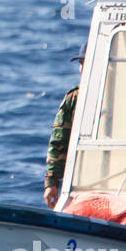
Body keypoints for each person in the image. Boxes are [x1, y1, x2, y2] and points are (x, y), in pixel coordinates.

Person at [43, 44, 85, 208]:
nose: (82, 69)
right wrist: (51, 182)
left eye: (86, 63)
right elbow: (59, 140)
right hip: (80, 176)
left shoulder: (124, 93)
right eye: (81, 64)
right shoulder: (74, 97)